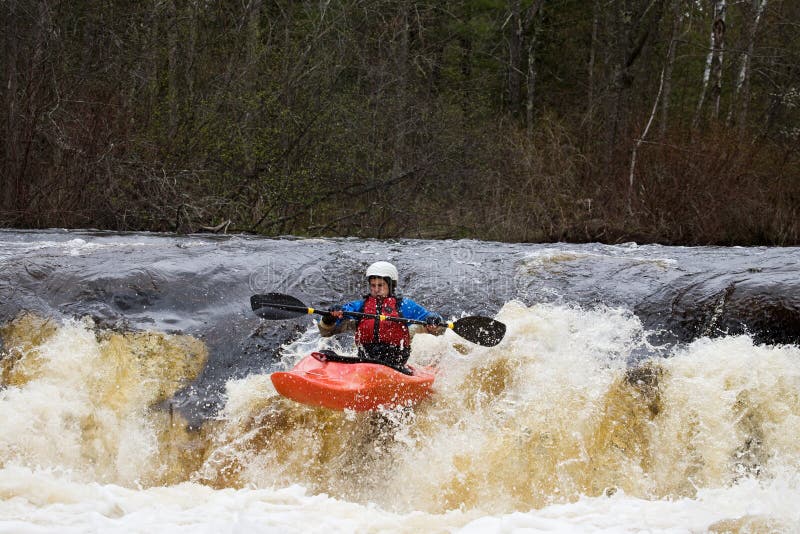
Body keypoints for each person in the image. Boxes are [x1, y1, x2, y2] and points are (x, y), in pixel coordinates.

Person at [318, 261, 444, 369]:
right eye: (373, 285)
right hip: (365, 362)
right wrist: (330, 317)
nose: (376, 289)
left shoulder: (405, 306)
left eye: (380, 285)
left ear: (391, 285)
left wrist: (434, 320)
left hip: (396, 365)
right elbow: (327, 331)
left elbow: (432, 320)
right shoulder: (359, 306)